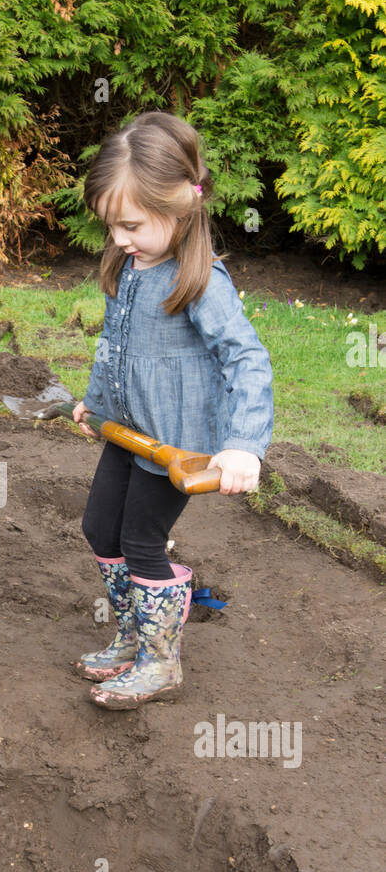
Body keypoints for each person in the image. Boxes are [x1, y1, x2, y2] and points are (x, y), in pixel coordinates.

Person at [71, 111, 273, 709]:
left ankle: (161, 662)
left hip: (176, 449)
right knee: (98, 528)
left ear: (181, 207)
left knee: (140, 539)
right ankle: (133, 638)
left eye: (130, 225)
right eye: (111, 226)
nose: (118, 239)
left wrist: (242, 445)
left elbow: (248, 361)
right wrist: (96, 402)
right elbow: (117, 347)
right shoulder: (129, 266)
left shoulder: (202, 281)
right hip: (129, 436)